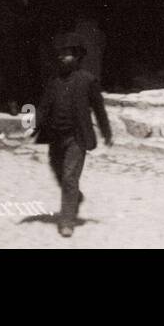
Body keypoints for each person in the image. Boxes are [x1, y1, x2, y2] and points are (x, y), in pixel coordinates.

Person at [35, 34, 112, 238]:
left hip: (76, 138)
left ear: (77, 58)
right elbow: (44, 106)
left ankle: (66, 221)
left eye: (67, 55)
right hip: (55, 137)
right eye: (60, 55)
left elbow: (99, 109)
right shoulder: (54, 80)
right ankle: (75, 196)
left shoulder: (87, 81)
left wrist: (106, 133)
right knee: (58, 171)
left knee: (69, 177)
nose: (62, 58)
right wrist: (32, 124)